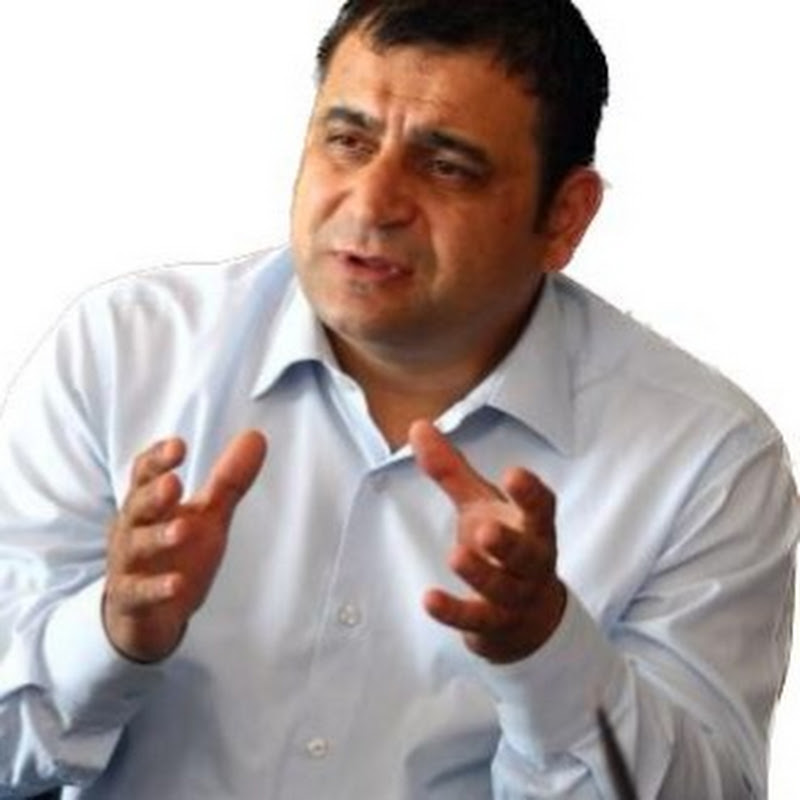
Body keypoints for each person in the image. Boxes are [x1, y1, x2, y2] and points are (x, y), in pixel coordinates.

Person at [0, 0, 797, 797]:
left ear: (565, 216)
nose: (372, 202)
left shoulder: (707, 462)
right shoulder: (123, 354)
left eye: (447, 166)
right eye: (348, 141)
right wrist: (111, 632)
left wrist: (547, 651)